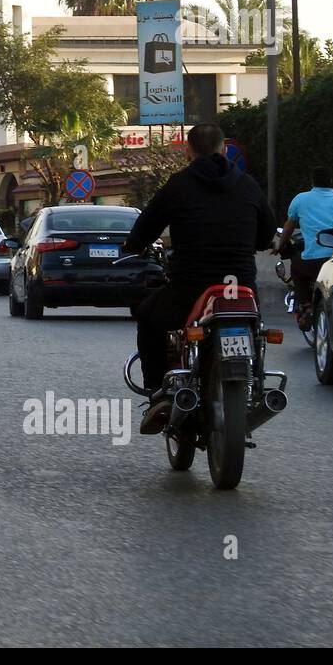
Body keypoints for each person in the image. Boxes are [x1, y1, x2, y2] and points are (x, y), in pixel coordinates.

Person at [122, 123, 276, 434]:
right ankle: (255, 380)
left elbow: (146, 227)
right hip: (242, 289)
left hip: (191, 289)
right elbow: (266, 234)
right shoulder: (247, 185)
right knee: (256, 329)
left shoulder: (178, 185)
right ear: (223, 149)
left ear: (188, 151)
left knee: (149, 317)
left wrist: (133, 246)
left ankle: (157, 394)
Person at [276, 167, 333, 324]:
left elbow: (289, 226)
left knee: (296, 268)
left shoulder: (300, 199)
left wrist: (279, 245)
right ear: (331, 182)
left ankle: (306, 306)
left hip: (314, 262)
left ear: (312, 182)